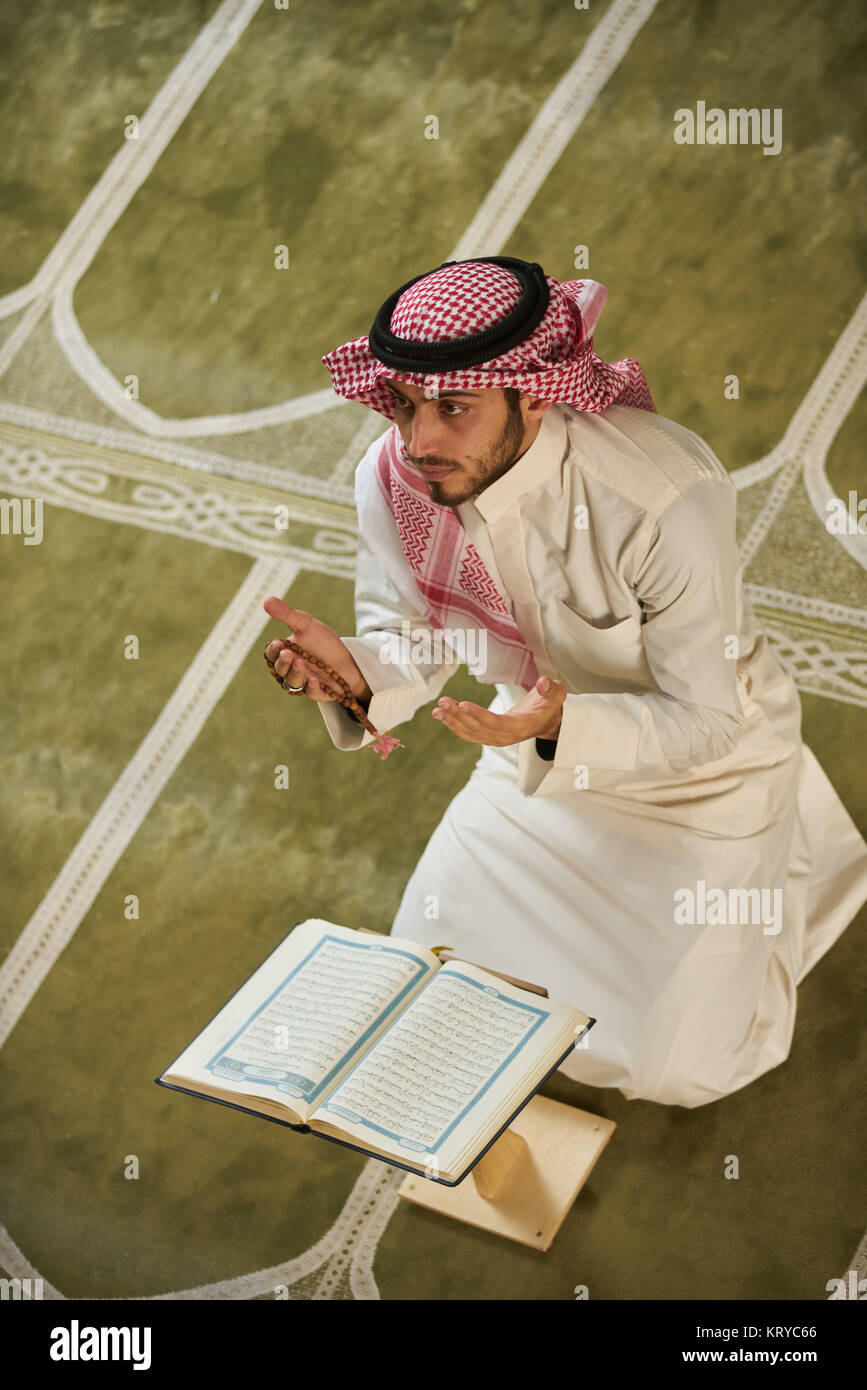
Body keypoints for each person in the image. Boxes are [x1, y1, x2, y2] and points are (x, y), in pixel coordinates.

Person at [262, 255, 867, 1108]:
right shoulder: (395, 479)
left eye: (453, 409)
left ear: (535, 393)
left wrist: (551, 729)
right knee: (427, 981)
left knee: (677, 1071)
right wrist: (353, 670)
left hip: (703, 777)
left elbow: (706, 718)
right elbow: (421, 638)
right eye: (403, 405)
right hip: (533, 759)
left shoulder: (661, 497)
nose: (418, 440)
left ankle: (781, 869)